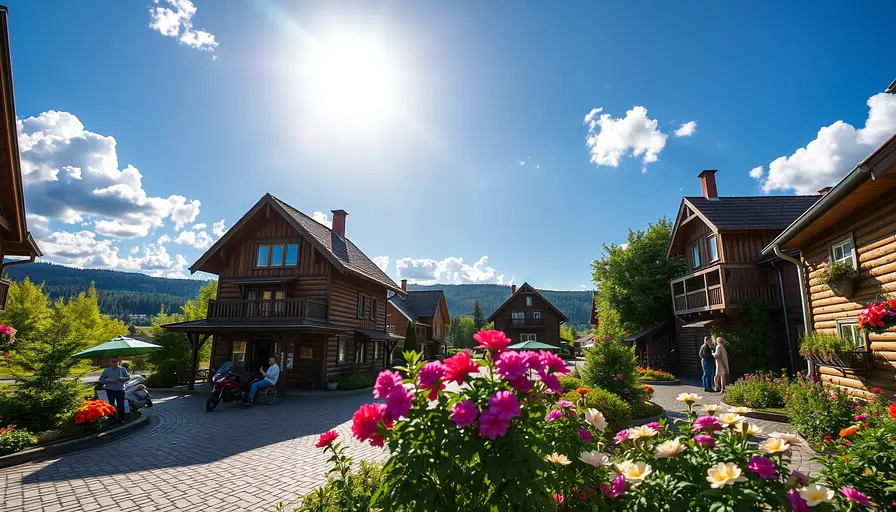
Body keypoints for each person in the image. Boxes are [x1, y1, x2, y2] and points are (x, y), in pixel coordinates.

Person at [99, 357, 129, 422]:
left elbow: (128, 378)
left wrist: (121, 378)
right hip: (110, 390)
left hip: (120, 389)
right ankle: (112, 419)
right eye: (112, 361)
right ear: (110, 362)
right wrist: (108, 380)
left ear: (118, 362)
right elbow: (101, 380)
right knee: (110, 405)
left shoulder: (122, 369)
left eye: (115, 361)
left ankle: (121, 419)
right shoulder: (106, 370)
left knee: (121, 405)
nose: (114, 363)